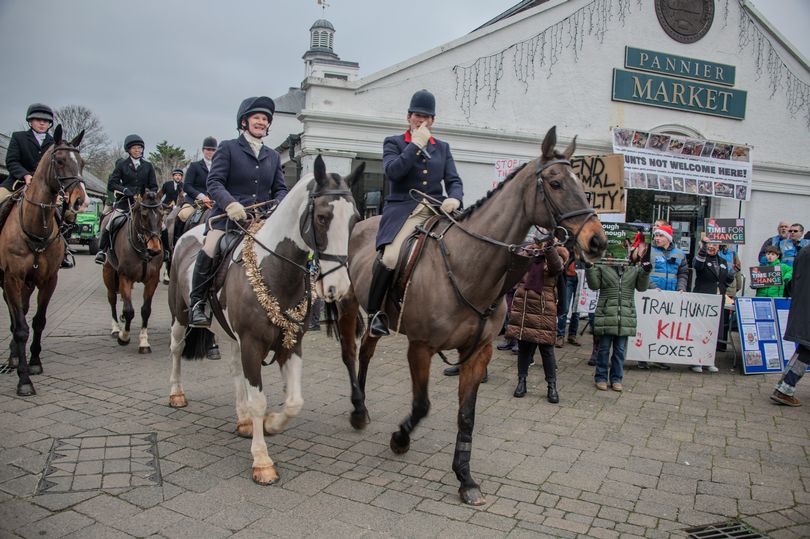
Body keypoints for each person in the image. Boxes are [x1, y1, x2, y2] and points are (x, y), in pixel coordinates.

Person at [369, 89, 463, 338]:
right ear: (408, 117)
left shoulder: (443, 148)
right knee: (389, 257)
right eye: (416, 116)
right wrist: (415, 145)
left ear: (433, 121)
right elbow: (394, 172)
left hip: (436, 209)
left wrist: (454, 197)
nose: (421, 120)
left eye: (426, 117)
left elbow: (454, 180)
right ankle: (375, 314)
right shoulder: (394, 142)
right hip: (404, 211)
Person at [188, 97, 288, 328]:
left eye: (265, 119)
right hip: (227, 219)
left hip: (262, 220)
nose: (262, 122)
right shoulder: (228, 147)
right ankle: (197, 304)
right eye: (257, 118)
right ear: (244, 122)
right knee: (211, 248)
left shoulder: (273, 156)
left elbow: (280, 188)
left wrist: (277, 204)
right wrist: (231, 204)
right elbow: (214, 182)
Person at [2, 103, 74, 269]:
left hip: (47, 189)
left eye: (46, 121)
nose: (42, 123)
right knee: (0, 201)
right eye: (38, 120)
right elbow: (11, 161)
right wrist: (26, 175)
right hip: (17, 183)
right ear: (30, 121)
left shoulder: (54, 142)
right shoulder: (19, 137)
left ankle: (63, 251)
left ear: (50, 124)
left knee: (66, 214)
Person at [506, 240, 565, 402]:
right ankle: (521, 382)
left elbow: (557, 268)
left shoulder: (556, 254)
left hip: (544, 310)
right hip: (524, 308)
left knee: (546, 350)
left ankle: (551, 387)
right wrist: (527, 249)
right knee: (524, 347)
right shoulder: (528, 253)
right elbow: (514, 267)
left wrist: (548, 248)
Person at [586, 245, 651, 391]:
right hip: (606, 315)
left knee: (620, 350)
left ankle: (616, 379)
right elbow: (594, 285)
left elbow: (641, 287)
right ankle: (601, 378)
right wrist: (589, 268)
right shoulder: (603, 268)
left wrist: (646, 272)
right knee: (603, 349)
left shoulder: (634, 269)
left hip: (625, 316)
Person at [95, 134, 159, 264]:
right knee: (110, 223)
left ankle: (167, 252)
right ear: (129, 150)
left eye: (140, 148)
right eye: (135, 148)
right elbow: (112, 183)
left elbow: (154, 185)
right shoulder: (122, 165)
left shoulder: (148, 166)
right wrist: (125, 190)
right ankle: (102, 251)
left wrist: (149, 193)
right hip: (125, 202)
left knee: (161, 225)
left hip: (144, 204)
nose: (138, 150)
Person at [637, 223, 686, 370]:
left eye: (660, 236)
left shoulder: (679, 254)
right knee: (647, 327)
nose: (657, 238)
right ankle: (642, 358)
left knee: (664, 328)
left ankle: (660, 357)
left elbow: (683, 273)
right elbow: (642, 270)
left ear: (668, 238)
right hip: (652, 294)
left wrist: (681, 287)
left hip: (669, 297)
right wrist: (652, 287)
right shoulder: (649, 251)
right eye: (656, 236)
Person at [771, 245, 810, 406]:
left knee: (804, 348)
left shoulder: (805, 250)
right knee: (806, 350)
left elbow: (794, 280)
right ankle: (785, 388)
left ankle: (784, 385)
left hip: (802, 305)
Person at [691, 238, 736, 370]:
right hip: (703, 299)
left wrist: (733, 272)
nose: (712, 247)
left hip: (718, 301)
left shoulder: (722, 261)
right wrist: (703, 247)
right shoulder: (701, 258)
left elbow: (725, 282)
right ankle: (696, 361)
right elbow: (698, 265)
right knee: (700, 331)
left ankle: (709, 360)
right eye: (710, 244)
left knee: (713, 331)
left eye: (715, 245)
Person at [176, 137, 217, 241]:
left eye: (213, 150)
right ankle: (176, 242)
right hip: (194, 201)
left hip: (214, 201)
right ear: (203, 150)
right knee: (183, 214)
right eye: (208, 149)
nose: (210, 152)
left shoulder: (220, 167)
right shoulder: (195, 166)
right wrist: (202, 196)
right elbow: (187, 186)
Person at [555, 242, 581, 347]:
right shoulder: (568, 244)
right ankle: (560, 335)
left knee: (577, 310)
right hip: (568, 278)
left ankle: (572, 335)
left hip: (580, 278)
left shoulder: (585, 247)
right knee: (564, 308)